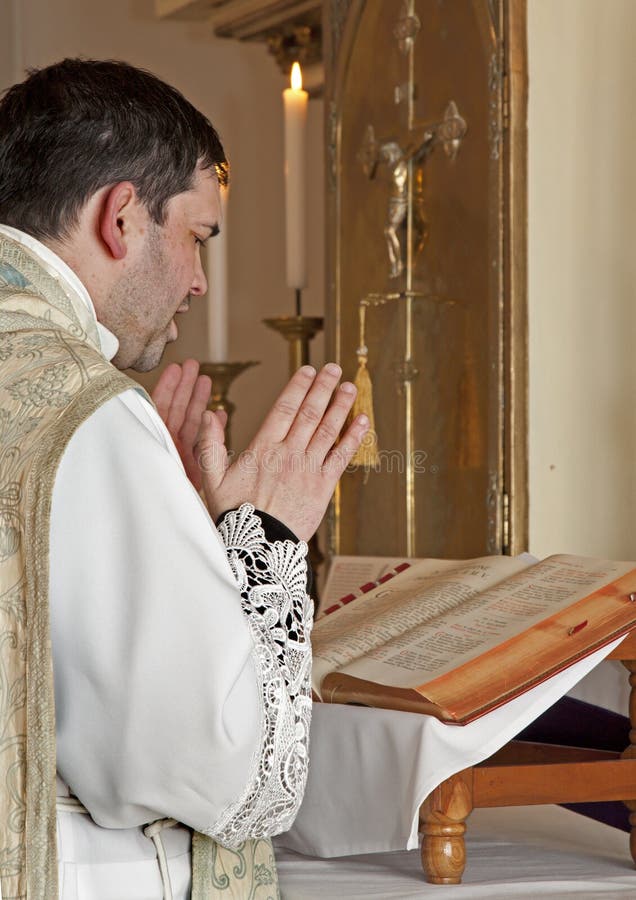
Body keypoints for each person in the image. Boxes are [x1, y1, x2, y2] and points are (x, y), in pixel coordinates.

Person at [0, 58, 369, 899]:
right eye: (197, 236)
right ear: (121, 217)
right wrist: (262, 544)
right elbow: (224, 775)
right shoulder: (83, 411)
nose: (199, 281)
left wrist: (176, 538)